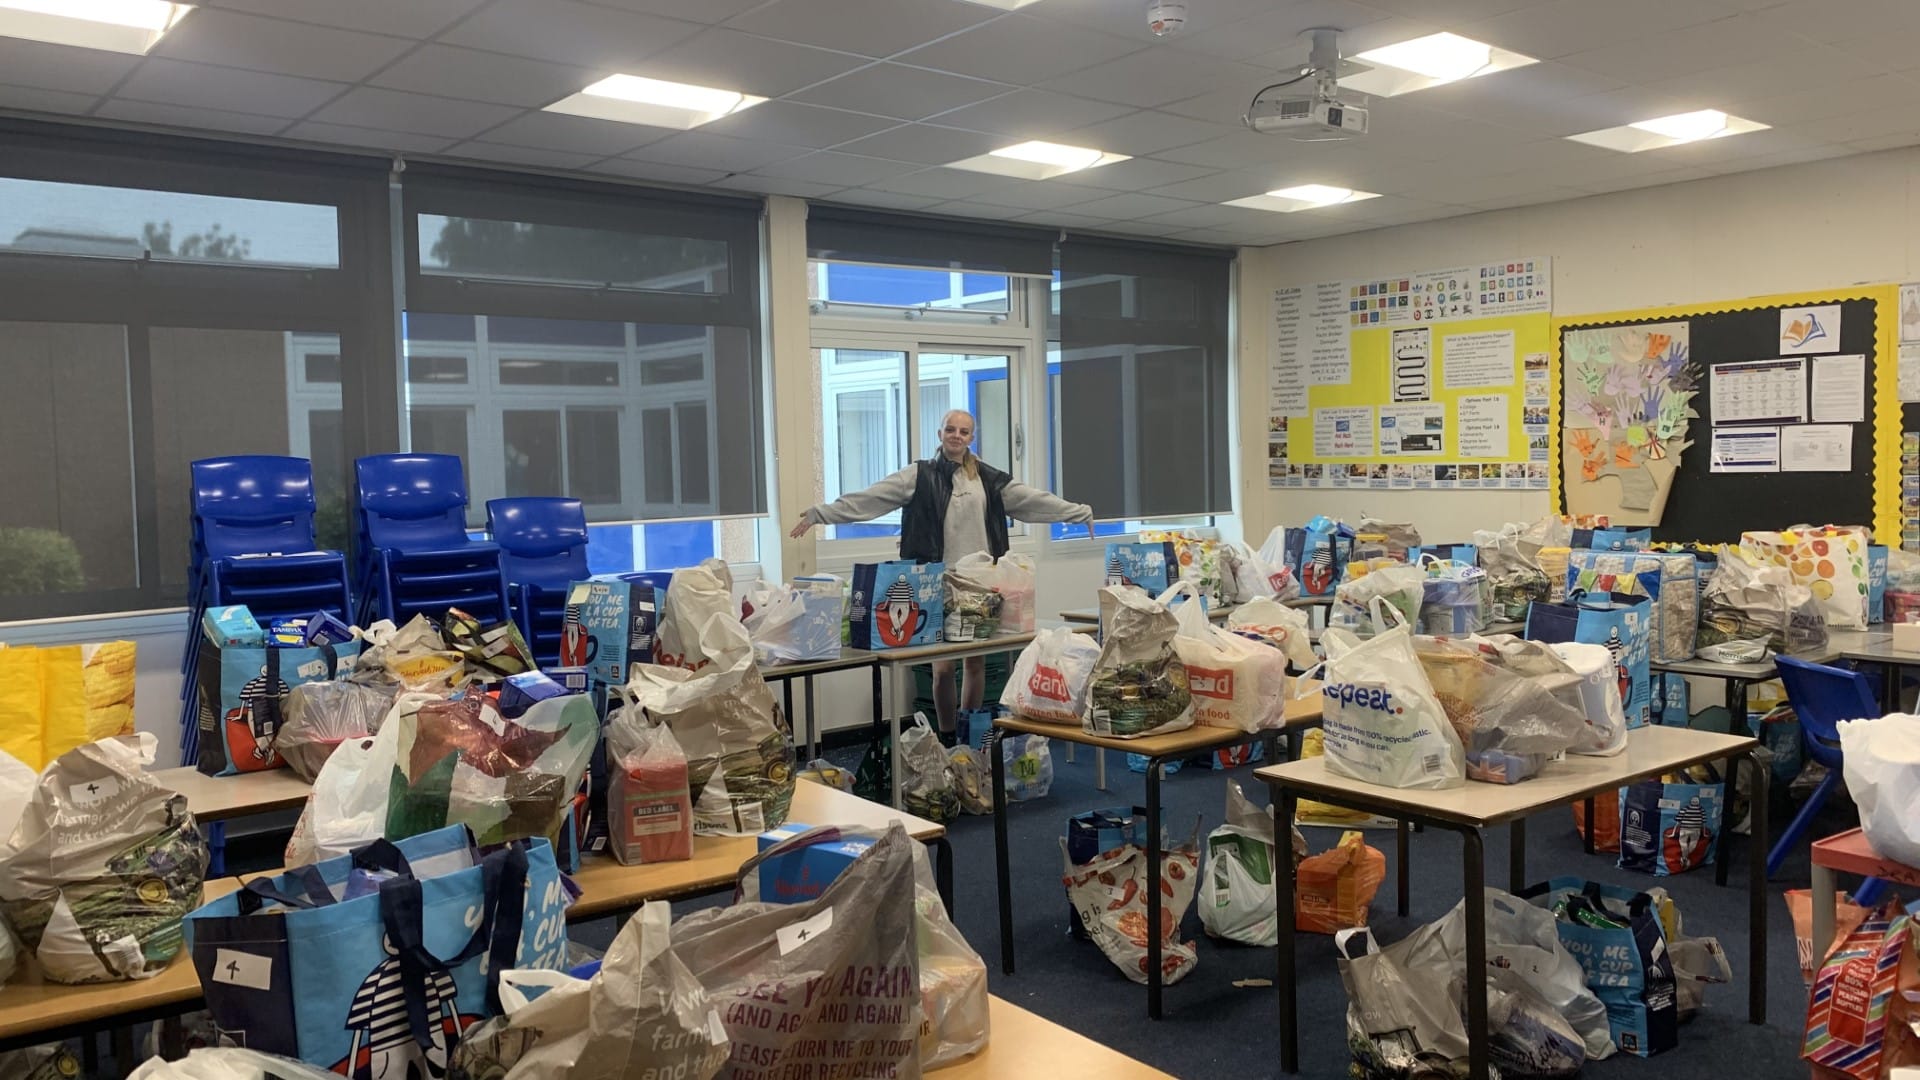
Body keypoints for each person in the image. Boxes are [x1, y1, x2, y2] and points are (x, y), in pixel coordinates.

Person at [791, 409, 1093, 743]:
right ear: (940, 434)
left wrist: (1078, 513)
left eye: (964, 431)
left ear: (971, 438)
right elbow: (873, 498)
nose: (956, 436)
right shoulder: (918, 476)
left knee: (975, 663)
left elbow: (1033, 501)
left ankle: (969, 734)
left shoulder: (989, 480)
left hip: (978, 583)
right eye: (950, 429)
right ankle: (948, 737)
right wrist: (822, 513)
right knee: (942, 667)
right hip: (935, 580)